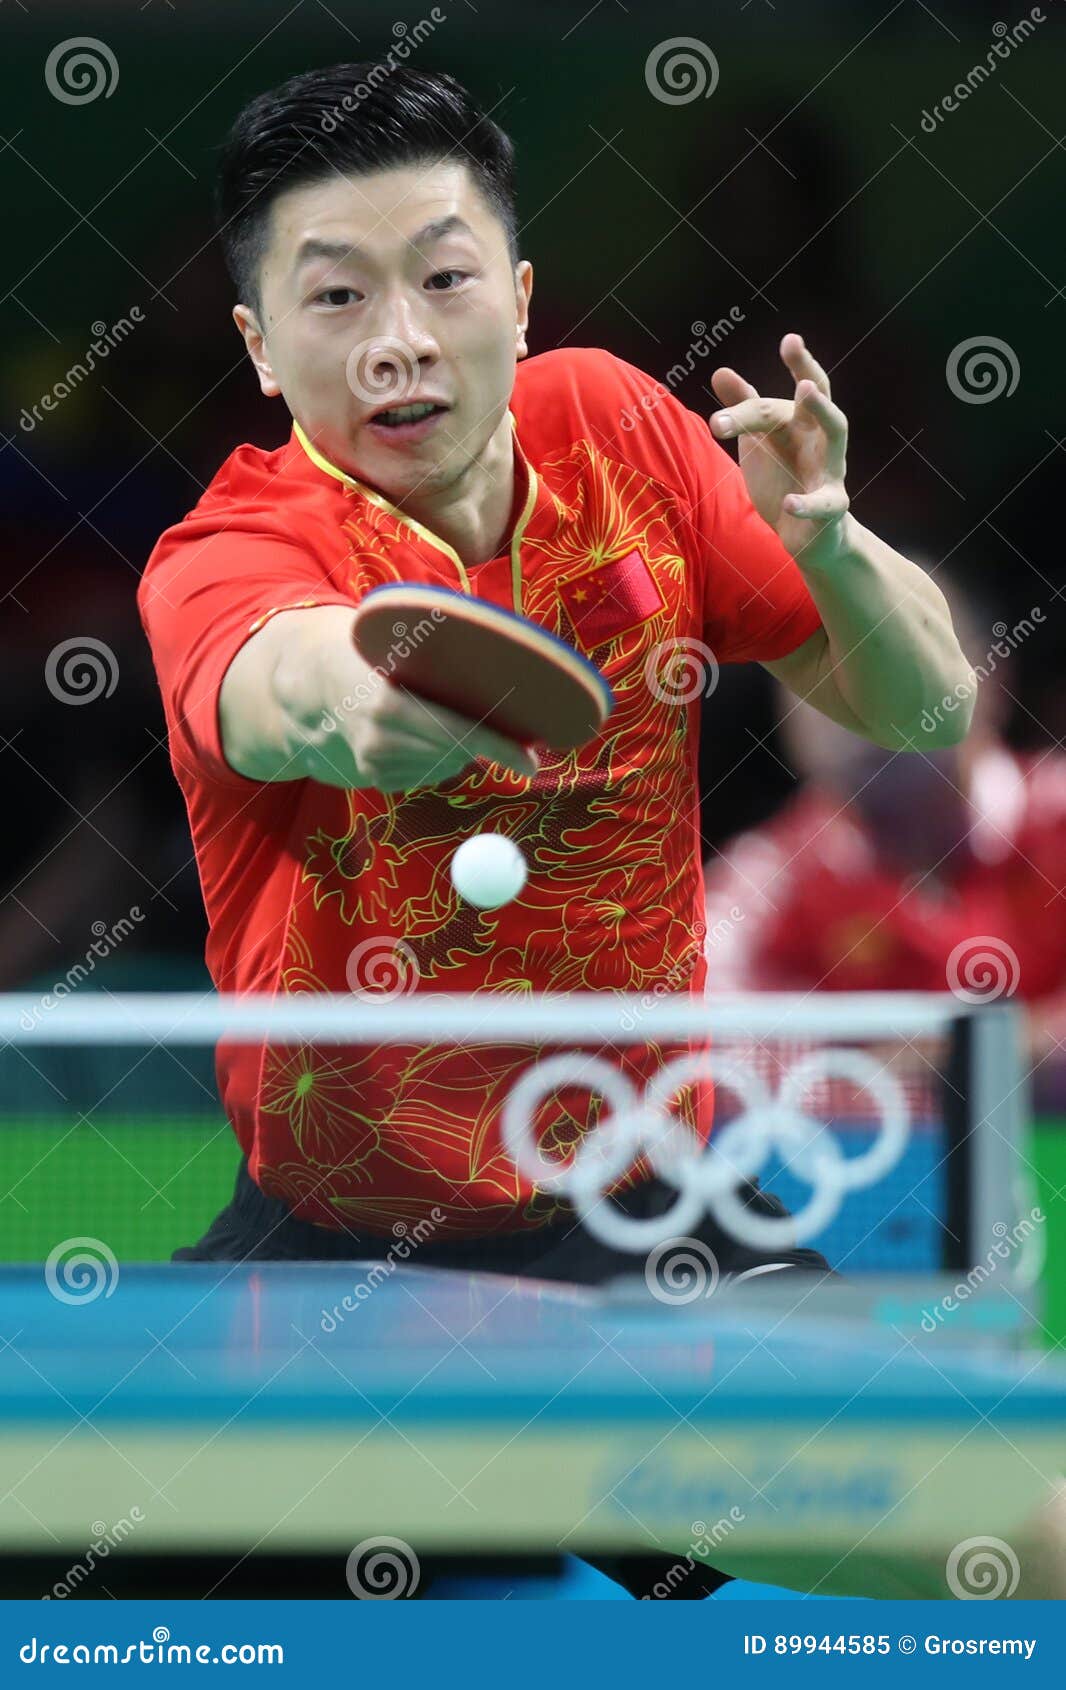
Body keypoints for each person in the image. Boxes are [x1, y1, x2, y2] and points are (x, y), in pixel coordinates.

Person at [138, 63, 990, 1599]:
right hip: (339, 1266)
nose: (399, 340)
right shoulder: (229, 549)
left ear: (519, 300)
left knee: (1009, 1527)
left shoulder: (616, 427)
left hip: (645, 1226)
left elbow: (927, 705)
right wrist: (371, 695)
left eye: (442, 278)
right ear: (260, 345)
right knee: (76, 1578)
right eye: (334, 297)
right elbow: (283, 685)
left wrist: (828, 541)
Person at [703, 582, 1066, 1112]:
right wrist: (884, 1085)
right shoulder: (765, 881)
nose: (857, 710)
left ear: (987, 681)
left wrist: (976, 1058)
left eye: (888, 662)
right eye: (818, 676)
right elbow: (699, 1058)